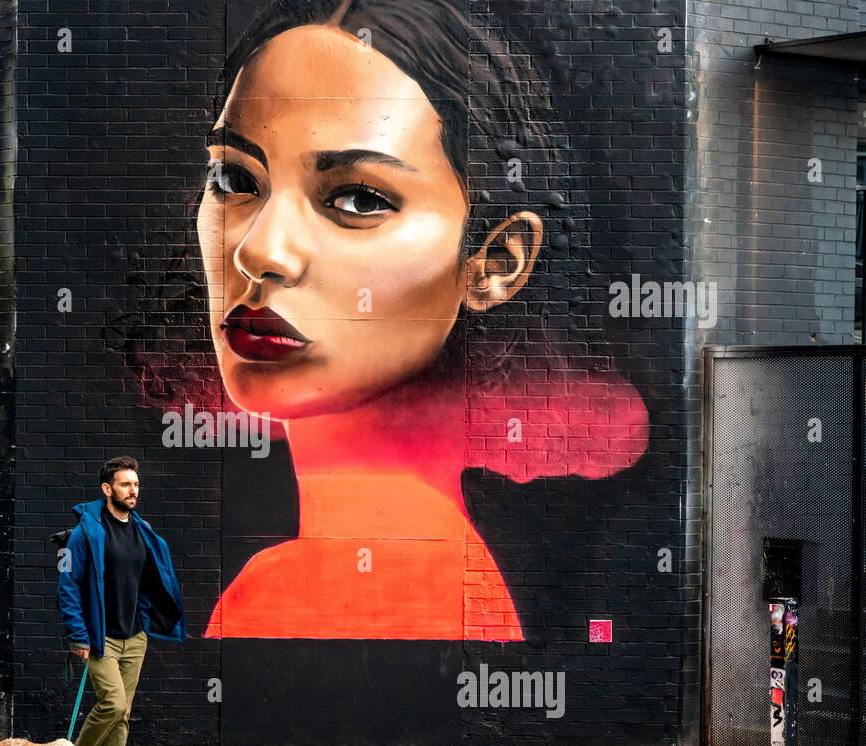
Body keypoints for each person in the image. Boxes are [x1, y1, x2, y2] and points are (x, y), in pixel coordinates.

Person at [177, 0, 648, 640]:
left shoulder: (320, 585)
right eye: (235, 177)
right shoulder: (450, 574)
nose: (258, 251)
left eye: (358, 199)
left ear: (496, 261)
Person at [57, 455, 187, 746]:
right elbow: (68, 586)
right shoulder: (86, 533)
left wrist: (149, 618)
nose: (133, 490)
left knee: (122, 713)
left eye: (136, 484)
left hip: (134, 637)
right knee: (112, 703)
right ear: (107, 489)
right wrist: (78, 636)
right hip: (101, 637)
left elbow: (152, 580)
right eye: (125, 484)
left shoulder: (142, 531)